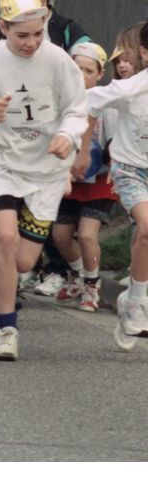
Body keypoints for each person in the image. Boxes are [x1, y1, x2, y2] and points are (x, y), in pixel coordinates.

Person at [0, 0, 87, 361]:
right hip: (1, 162)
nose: (31, 42)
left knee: (23, 262)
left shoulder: (58, 61)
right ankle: (6, 329)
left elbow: (77, 109)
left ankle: (1, 259)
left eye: (37, 32)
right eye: (22, 35)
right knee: (5, 236)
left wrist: (67, 137)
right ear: (3, 28)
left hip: (46, 172)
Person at [80, 22, 148, 350]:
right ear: (146, 54)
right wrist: (81, 149)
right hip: (130, 169)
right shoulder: (132, 88)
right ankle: (136, 302)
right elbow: (90, 101)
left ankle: (131, 301)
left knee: (144, 236)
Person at [51, 42, 116, 313]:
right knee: (61, 236)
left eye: (89, 70)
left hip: (100, 180)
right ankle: (78, 274)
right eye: (77, 68)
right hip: (68, 178)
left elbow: (116, 138)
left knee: (88, 235)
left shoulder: (107, 102)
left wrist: (115, 163)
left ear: (100, 74)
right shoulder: (59, 100)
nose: (82, 75)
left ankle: (92, 284)